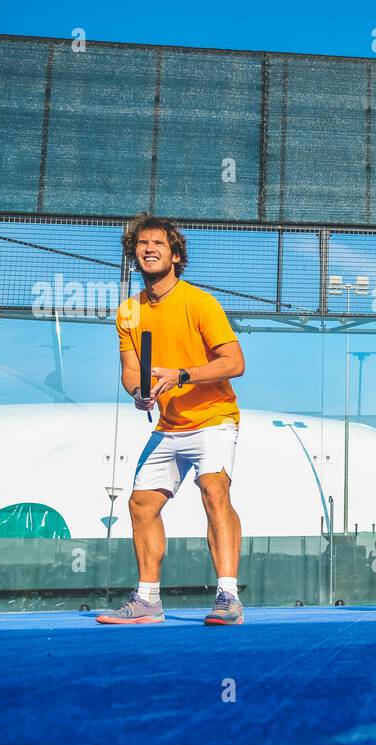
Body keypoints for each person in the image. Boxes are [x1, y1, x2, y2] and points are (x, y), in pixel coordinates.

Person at [96, 214, 247, 626]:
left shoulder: (200, 303)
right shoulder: (128, 312)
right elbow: (131, 371)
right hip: (169, 425)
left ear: (175, 255)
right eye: (142, 244)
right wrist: (140, 392)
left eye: (158, 244)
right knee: (141, 503)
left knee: (214, 490)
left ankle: (228, 597)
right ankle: (147, 601)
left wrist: (182, 375)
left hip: (214, 418)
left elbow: (235, 362)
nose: (148, 249)